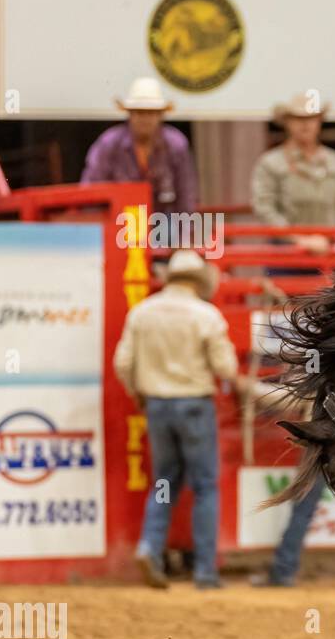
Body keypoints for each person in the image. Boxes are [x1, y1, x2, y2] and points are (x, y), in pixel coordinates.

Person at [113, 250, 237, 589]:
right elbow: (225, 367)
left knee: (164, 482)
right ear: (198, 280)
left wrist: (139, 393)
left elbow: (123, 362)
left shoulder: (142, 313)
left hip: (156, 404)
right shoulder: (206, 315)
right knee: (204, 486)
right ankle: (205, 572)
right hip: (194, 403)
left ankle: (150, 547)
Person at [251, 92, 335, 256]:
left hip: (333, 251)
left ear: (319, 121)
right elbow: (265, 209)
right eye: (298, 118)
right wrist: (299, 239)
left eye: (311, 118)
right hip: (288, 252)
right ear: (287, 122)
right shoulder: (270, 163)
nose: (305, 124)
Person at [82, 77, 198, 216]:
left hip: (163, 218)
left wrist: (184, 233)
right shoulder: (109, 144)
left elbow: (186, 193)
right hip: (120, 216)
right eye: (139, 112)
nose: (145, 119)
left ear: (160, 116)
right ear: (130, 115)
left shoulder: (176, 145)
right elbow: (91, 189)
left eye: (150, 113)